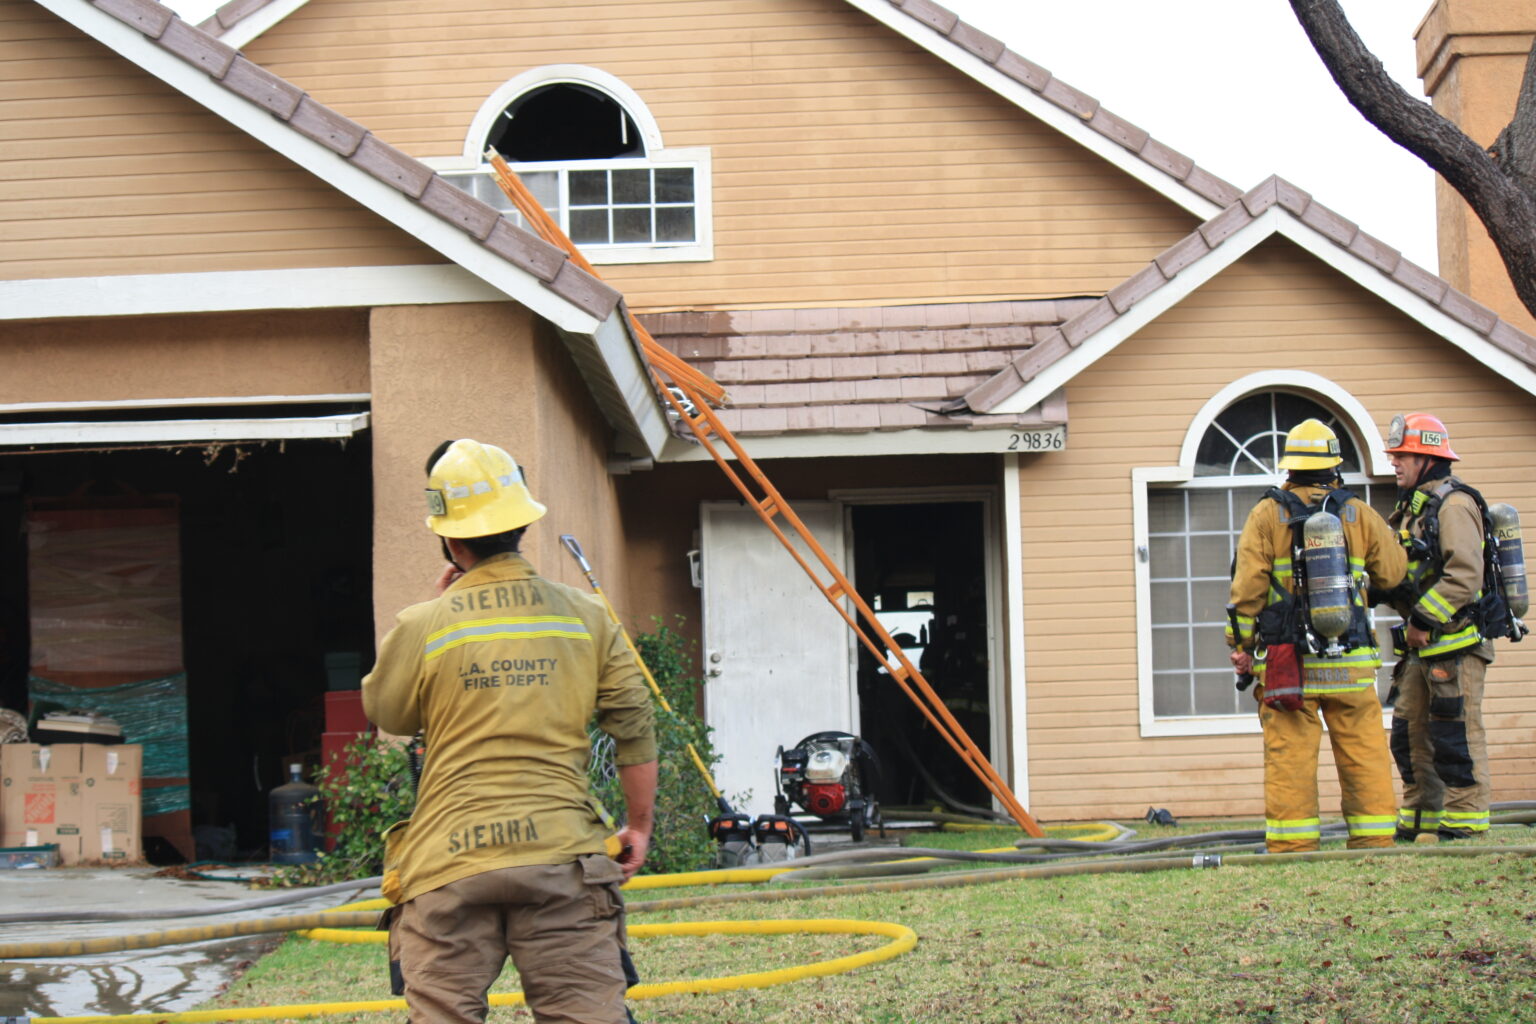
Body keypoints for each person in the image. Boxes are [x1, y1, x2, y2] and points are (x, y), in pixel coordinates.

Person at [363, 439, 657, 1024]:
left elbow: (389, 714)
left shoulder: (426, 623)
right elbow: (634, 725)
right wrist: (639, 826)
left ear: (449, 537)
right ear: (524, 522)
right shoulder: (586, 615)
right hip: (562, 857)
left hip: (448, 862)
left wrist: (434, 607)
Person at [1227, 419, 1405, 853]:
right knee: (1364, 751)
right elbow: (1395, 573)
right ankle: (1375, 838)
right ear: (1334, 466)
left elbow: (1247, 589)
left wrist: (1241, 647)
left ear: (1289, 466)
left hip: (1291, 665)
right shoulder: (1357, 512)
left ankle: (1293, 847)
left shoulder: (1267, 514)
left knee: (1290, 755)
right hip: (1353, 660)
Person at [1380, 413, 1499, 841]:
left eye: (1403, 455)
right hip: (1421, 646)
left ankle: (1464, 822)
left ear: (1427, 458)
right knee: (1408, 730)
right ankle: (1420, 818)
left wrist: (1422, 619)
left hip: (1456, 642)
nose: (1395, 462)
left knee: (1456, 733)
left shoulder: (1455, 504)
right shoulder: (1413, 509)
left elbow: (1464, 575)